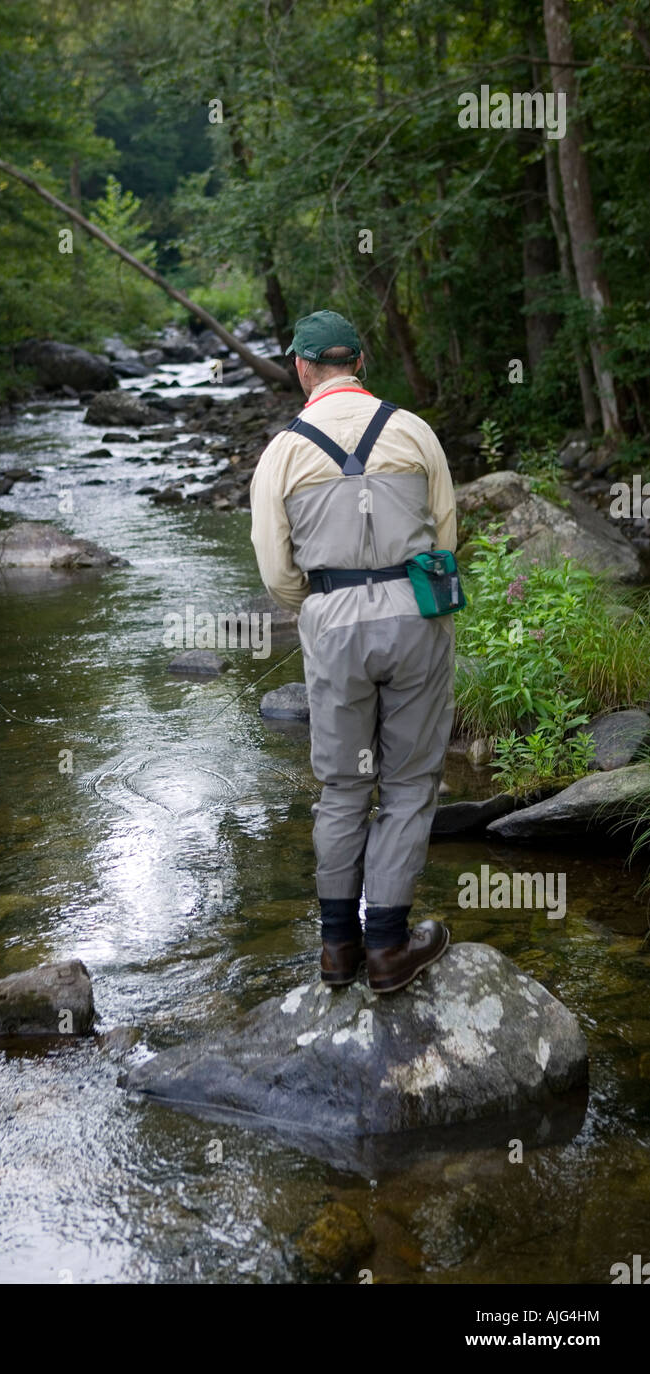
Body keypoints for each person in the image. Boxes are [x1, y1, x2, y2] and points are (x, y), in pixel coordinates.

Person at [250, 309, 457, 992]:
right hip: (414, 616)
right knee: (406, 784)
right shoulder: (412, 429)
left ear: (303, 368)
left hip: (332, 621)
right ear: (359, 361)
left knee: (342, 788)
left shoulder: (282, 450)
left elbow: (276, 570)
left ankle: (338, 950)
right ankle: (389, 950)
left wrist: (320, 609)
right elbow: (445, 537)